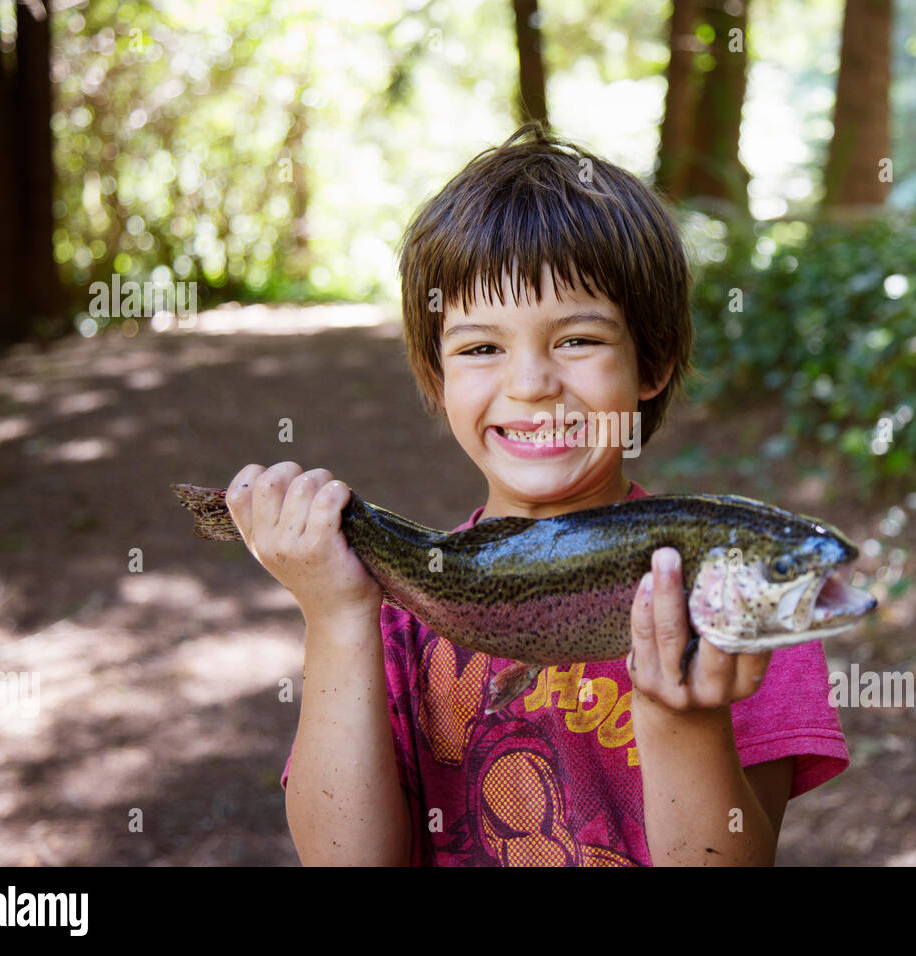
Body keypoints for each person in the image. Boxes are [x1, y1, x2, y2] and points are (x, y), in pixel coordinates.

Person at [225, 121, 849, 866]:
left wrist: (684, 718)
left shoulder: (741, 607)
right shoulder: (395, 613)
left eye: (577, 340)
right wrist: (335, 618)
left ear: (650, 363)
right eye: (482, 348)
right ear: (439, 378)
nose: (530, 384)